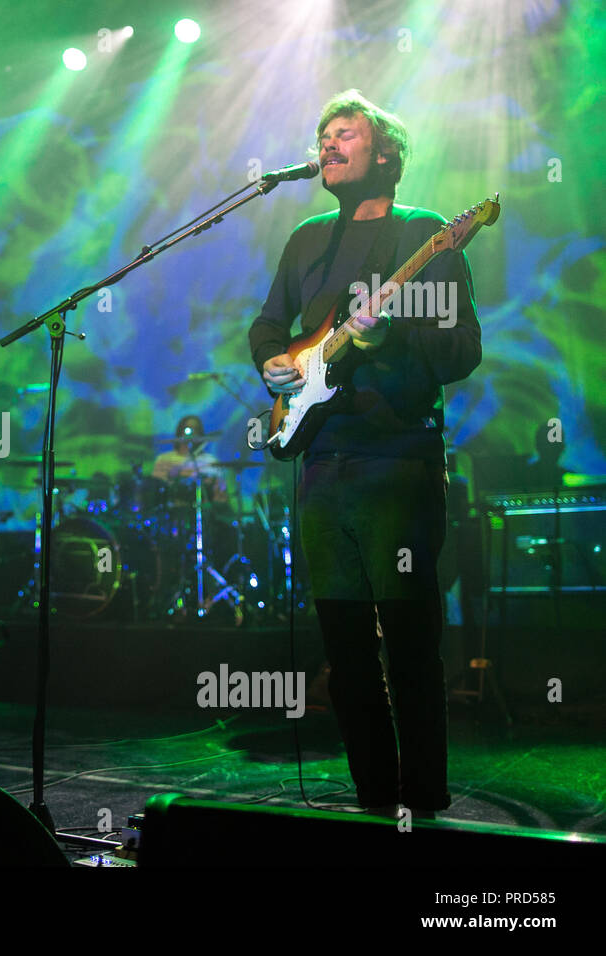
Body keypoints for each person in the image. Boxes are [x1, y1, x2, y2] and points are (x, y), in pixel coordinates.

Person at [248, 90, 481, 818]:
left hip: (395, 462)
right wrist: (272, 365)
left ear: (384, 154)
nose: (328, 143)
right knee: (345, 651)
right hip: (322, 462)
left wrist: (391, 334)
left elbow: (461, 351)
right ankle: (375, 799)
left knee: (408, 644)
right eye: (322, 134)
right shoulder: (308, 237)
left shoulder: (429, 236)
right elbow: (267, 323)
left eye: (345, 133)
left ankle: (426, 798)